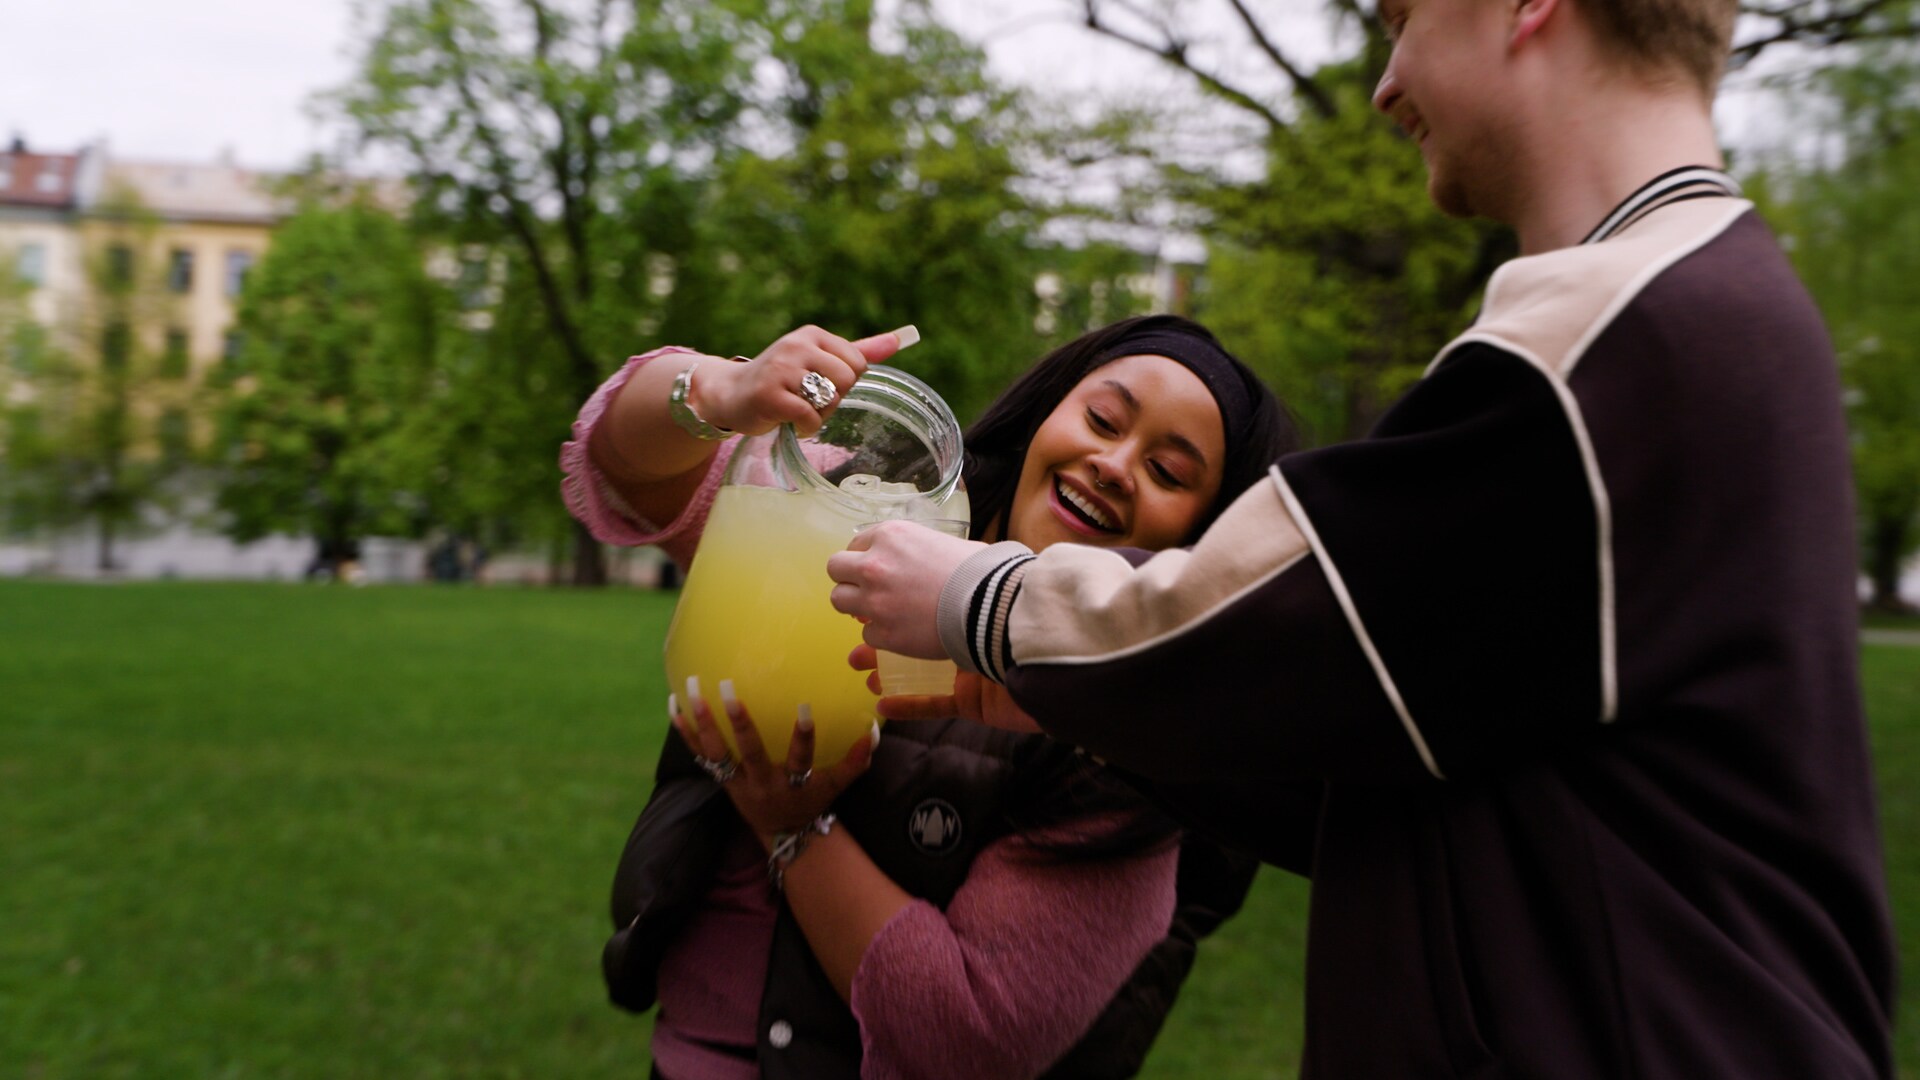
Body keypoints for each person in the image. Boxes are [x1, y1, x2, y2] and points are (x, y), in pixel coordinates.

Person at [827, 0, 1899, 1075]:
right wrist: (1072, 703)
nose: (1387, 86)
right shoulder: (1719, 314)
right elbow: (1397, 767)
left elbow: (1281, 613)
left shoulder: (1620, 335)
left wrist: (980, 598)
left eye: (1400, 18)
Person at [560, 315, 1299, 1079]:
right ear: (1048, 413)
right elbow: (621, 468)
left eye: (1170, 473)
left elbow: (973, 1037)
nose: (1113, 464)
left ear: (1199, 548)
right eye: (1102, 419)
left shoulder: (1133, 735)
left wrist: (793, 826)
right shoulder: (864, 507)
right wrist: (718, 389)